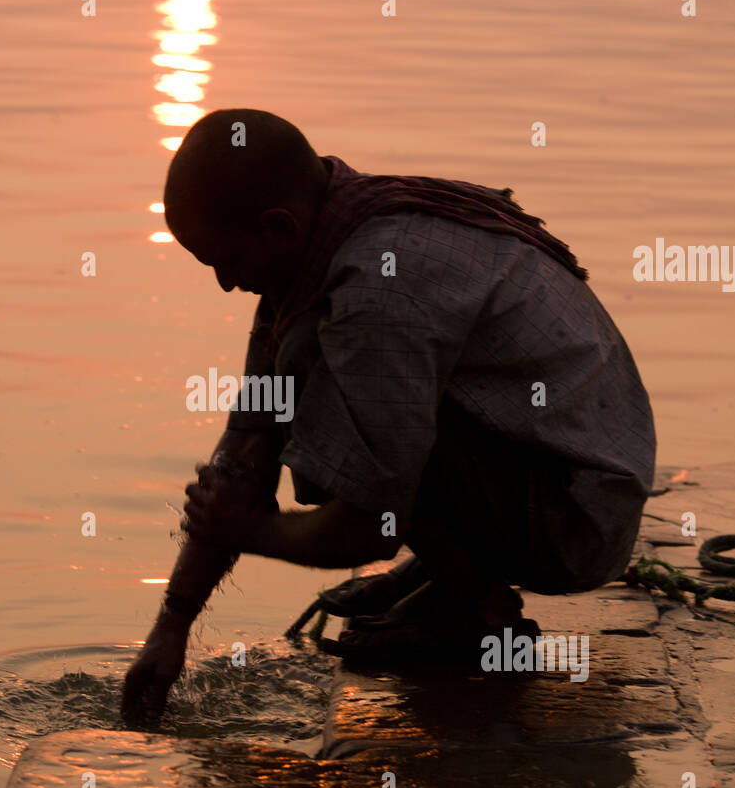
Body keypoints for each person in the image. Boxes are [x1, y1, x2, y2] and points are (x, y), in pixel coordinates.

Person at [120, 108, 656, 727]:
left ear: (278, 227)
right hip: (541, 470)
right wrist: (171, 628)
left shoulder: (376, 285)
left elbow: (371, 525)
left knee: (329, 392)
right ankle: (455, 576)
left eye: (229, 262)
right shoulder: (324, 239)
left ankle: (473, 607)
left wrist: (254, 531)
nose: (225, 284)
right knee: (318, 384)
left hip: (575, 519)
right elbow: (248, 445)